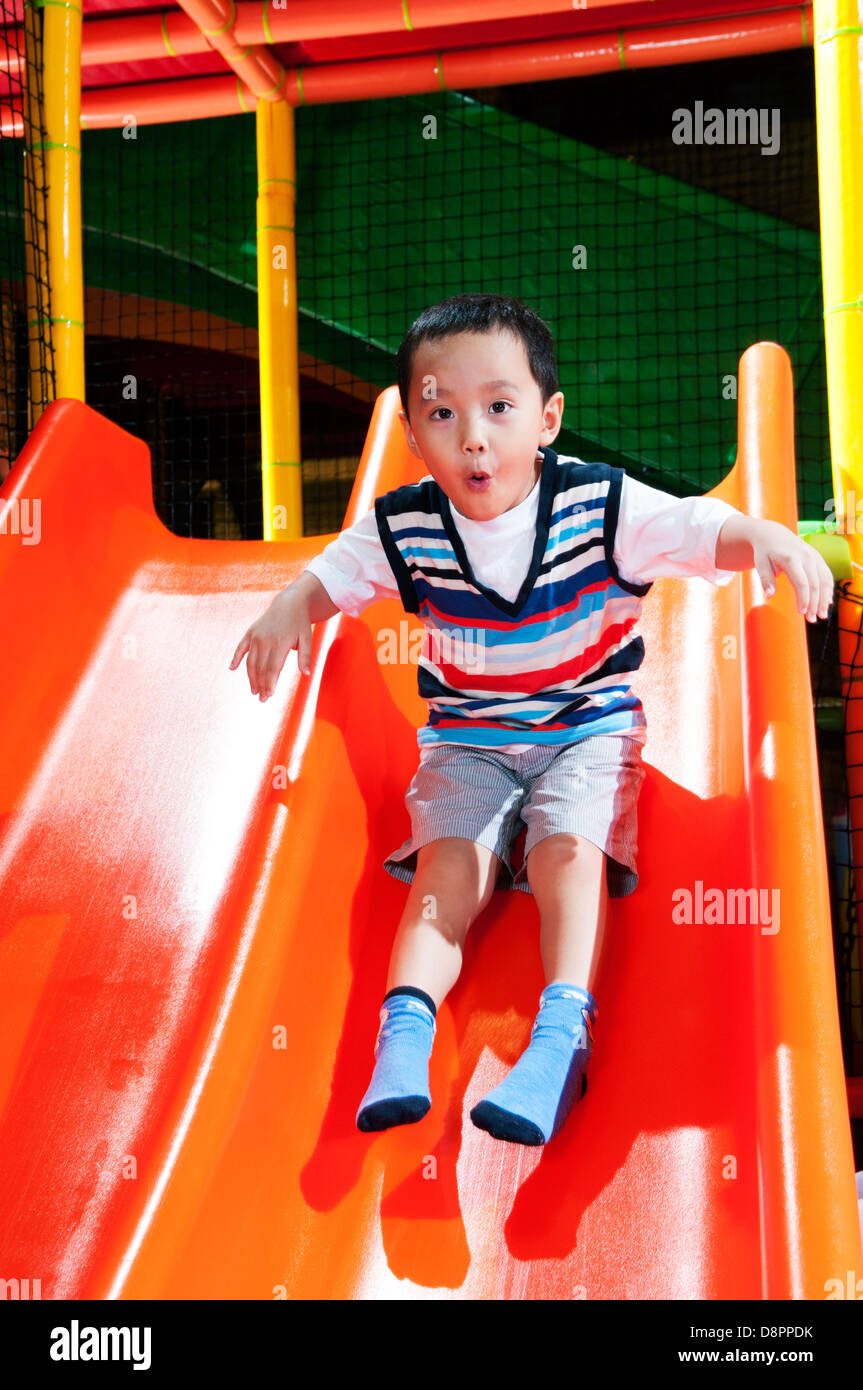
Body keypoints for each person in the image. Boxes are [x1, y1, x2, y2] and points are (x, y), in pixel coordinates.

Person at [229, 293, 834, 1146]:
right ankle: (403, 1034)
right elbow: (335, 575)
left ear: (547, 418)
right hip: (467, 737)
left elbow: (695, 526)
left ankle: (558, 1034)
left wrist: (765, 539)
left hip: (585, 728)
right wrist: (288, 610)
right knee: (449, 870)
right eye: (441, 413)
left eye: (499, 409)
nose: (472, 436)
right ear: (411, 430)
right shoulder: (404, 527)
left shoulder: (599, 505)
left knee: (564, 852)